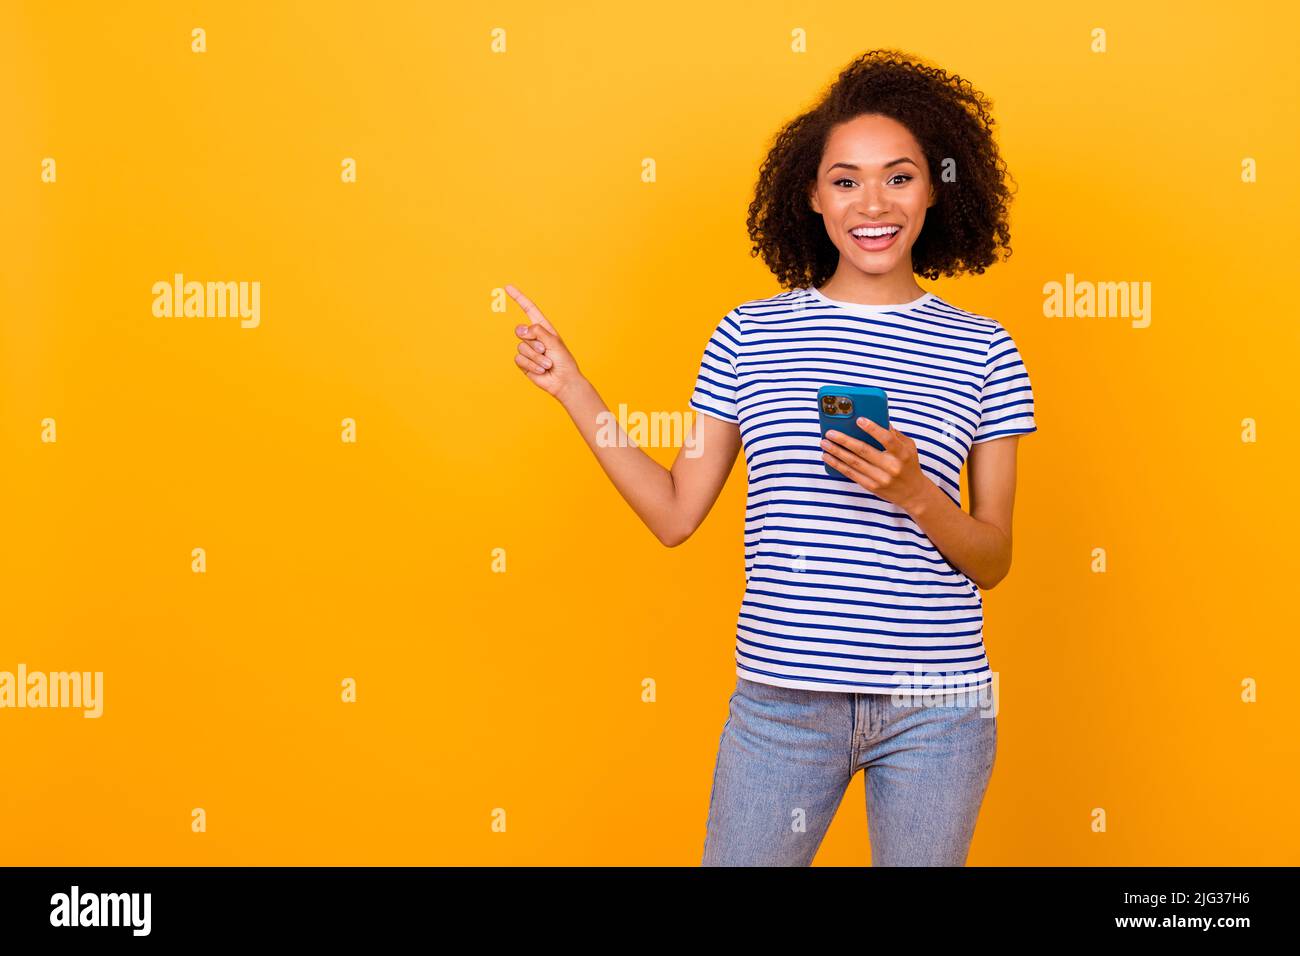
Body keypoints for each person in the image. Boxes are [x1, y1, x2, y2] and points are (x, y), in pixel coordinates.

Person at [504, 49, 1037, 866]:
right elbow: (676, 514)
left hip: (940, 706)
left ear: (934, 189)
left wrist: (919, 496)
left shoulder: (985, 349)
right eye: (846, 179)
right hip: (782, 706)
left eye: (899, 177)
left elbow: (993, 558)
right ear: (813, 195)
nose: (873, 203)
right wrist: (575, 389)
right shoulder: (750, 335)